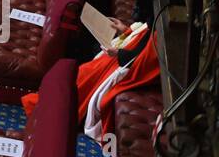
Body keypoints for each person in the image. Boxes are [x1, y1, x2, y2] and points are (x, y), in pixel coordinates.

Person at [22, 18, 159, 140]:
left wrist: (120, 53)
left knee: (84, 78)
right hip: (124, 55)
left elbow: (147, 59)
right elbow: (146, 35)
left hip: (127, 66)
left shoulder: (167, 34)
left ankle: (55, 112)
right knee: (83, 72)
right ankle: (47, 103)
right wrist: (126, 30)